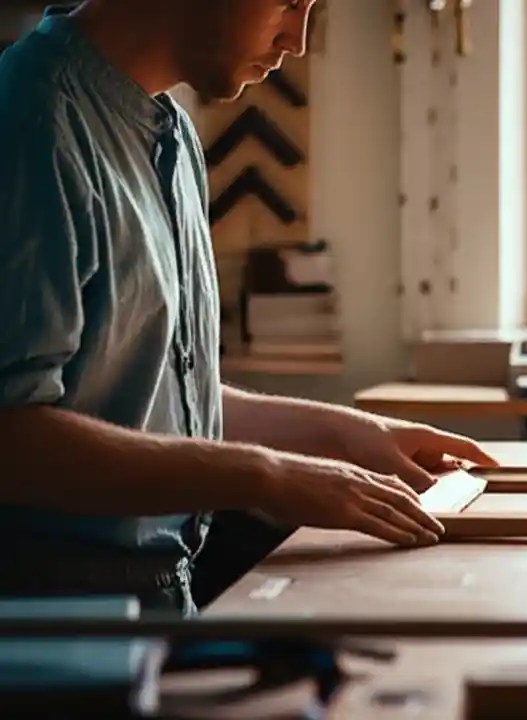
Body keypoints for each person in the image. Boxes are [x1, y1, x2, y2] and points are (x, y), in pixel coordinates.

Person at [0, 0, 498, 616]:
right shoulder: (30, 118)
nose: (298, 38)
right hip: (54, 619)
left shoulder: (174, 134)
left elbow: (160, 403)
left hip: (158, 597)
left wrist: (344, 434)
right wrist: (267, 476)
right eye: (290, 3)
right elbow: (15, 436)